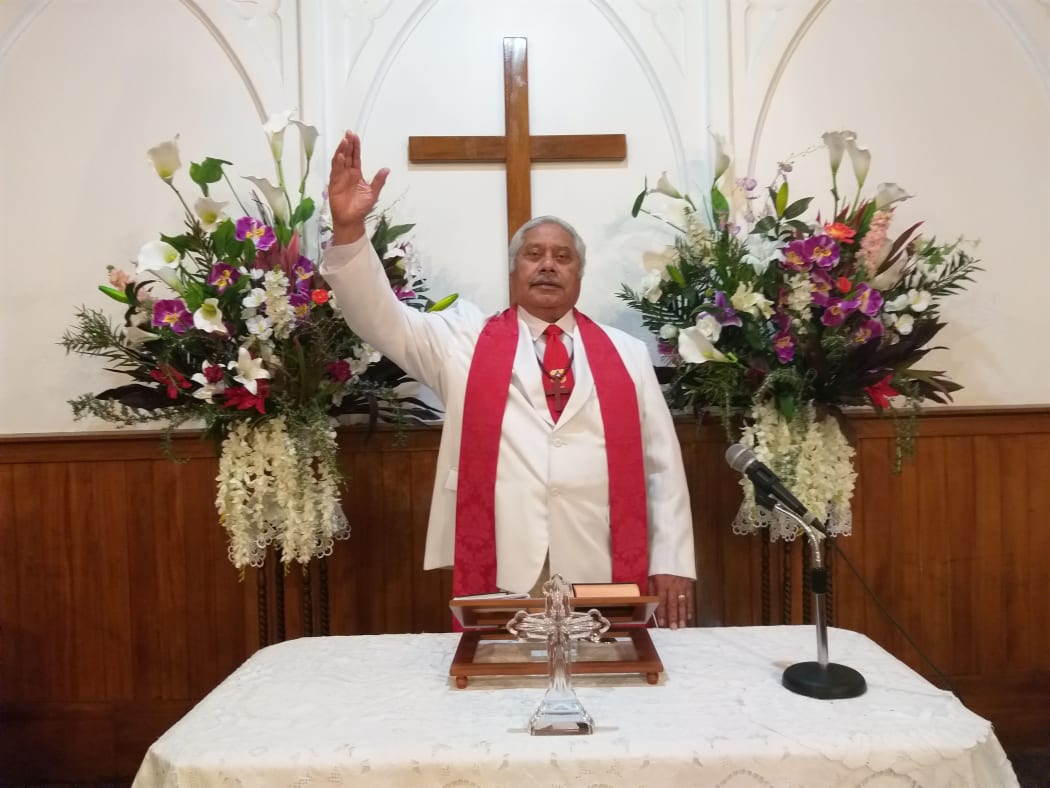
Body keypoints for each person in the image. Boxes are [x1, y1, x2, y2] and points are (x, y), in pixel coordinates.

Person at [321, 132, 696, 628]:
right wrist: (350, 231)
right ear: (514, 268)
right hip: (503, 562)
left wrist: (671, 560)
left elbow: (662, 468)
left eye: (562, 257)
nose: (547, 265)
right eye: (533, 254)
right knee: (499, 697)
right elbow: (378, 318)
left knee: (607, 696)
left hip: (601, 562)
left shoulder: (627, 355)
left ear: (579, 274)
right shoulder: (463, 342)